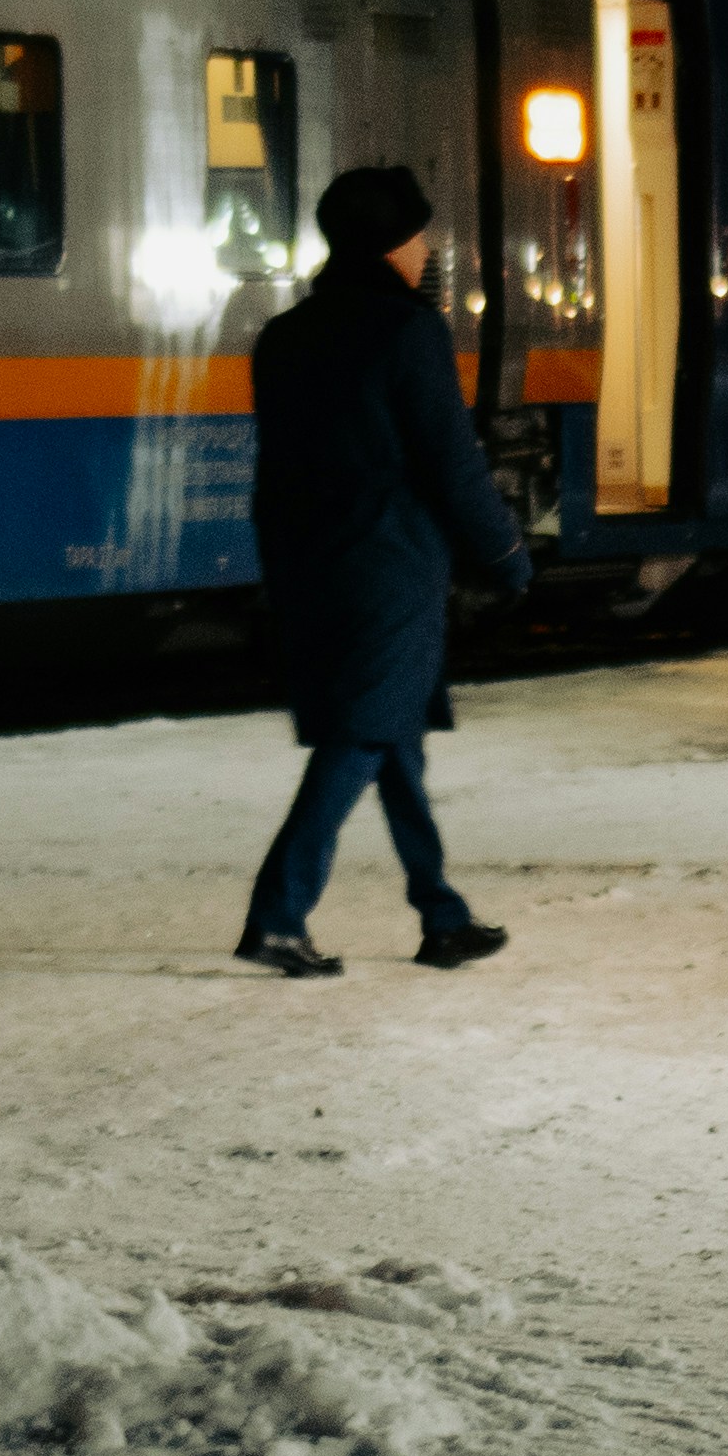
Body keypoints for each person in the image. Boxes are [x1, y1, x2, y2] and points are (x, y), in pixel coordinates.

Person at [234, 167, 535, 977]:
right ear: (392, 244)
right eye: (417, 235)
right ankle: (278, 915)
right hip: (389, 570)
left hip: (308, 567)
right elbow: (450, 460)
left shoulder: (287, 335)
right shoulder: (408, 333)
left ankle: (441, 916)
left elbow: (277, 471)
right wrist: (506, 555)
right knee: (362, 735)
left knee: (392, 733)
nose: (427, 249)